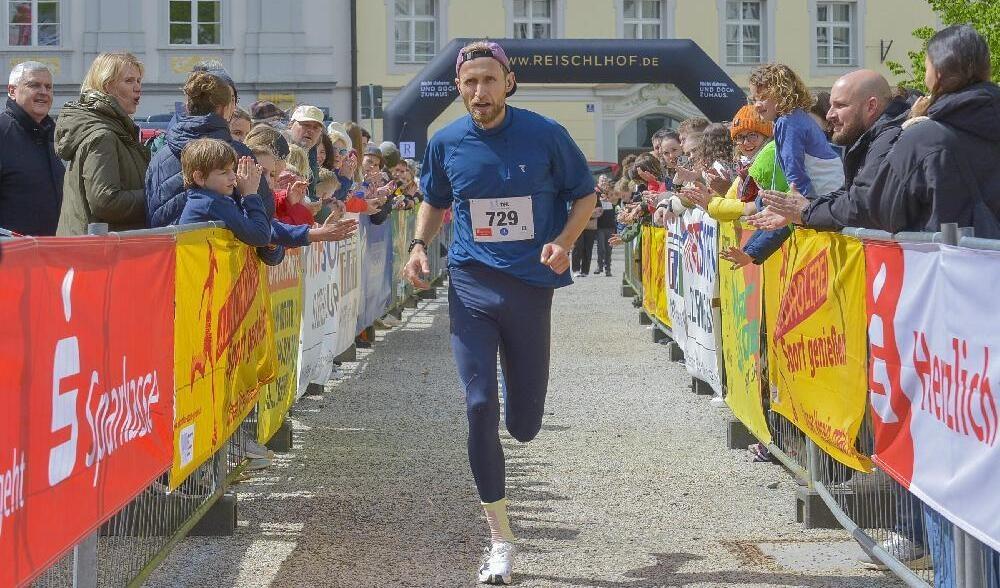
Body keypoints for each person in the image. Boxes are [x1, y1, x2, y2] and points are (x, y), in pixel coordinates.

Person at [402, 40, 596, 585]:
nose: (480, 91)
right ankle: (501, 539)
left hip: (532, 286)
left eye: (490, 80)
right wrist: (419, 246)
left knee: (525, 425)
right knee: (479, 404)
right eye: (470, 82)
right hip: (471, 283)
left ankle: (520, 408)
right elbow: (435, 200)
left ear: (508, 82)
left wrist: (564, 241)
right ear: (459, 87)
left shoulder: (546, 135)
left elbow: (586, 197)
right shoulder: (446, 142)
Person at [866, 24, 1000, 236]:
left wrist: (908, 126)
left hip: (946, 262)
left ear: (937, 73)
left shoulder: (923, 137)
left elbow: (883, 211)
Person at [750, 70, 910, 231]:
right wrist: (804, 211)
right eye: (754, 99)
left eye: (840, 105)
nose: (829, 115)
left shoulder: (890, 140)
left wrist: (804, 211)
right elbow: (848, 195)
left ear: (871, 105)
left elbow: (861, 205)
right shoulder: (865, 139)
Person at [725, 63, 845, 267]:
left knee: (782, 209)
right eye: (754, 99)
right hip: (826, 193)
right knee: (776, 207)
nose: (756, 105)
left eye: (762, 98)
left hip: (824, 193)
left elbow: (795, 171)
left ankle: (751, 254)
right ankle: (751, 253)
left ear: (782, 94)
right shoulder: (791, 119)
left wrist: (799, 210)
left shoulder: (789, 122)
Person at [55, 51, 148, 235]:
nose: (137, 88)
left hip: (100, 248)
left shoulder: (114, 128)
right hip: (96, 253)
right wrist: (154, 196)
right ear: (108, 87)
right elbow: (105, 202)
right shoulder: (102, 135)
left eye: (138, 81)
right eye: (129, 81)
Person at [0, 61, 63, 235]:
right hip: (12, 256)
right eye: (34, 85)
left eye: (48, 87)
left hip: (53, 254)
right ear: (12, 91)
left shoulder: (52, 134)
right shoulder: (2, 132)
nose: (43, 92)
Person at [178, 138, 272, 246]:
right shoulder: (212, 203)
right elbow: (261, 236)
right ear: (200, 178)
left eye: (232, 170)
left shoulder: (203, 199)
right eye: (224, 172)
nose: (233, 177)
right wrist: (250, 194)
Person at [594, 174, 618, 276]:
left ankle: (608, 268)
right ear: (598, 182)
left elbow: (617, 203)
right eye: (601, 180)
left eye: (605, 180)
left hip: (611, 226)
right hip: (600, 226)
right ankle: (599, 266)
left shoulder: (612, 194)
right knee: (601, 248)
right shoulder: (596, 194)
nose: (603, 182)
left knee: (609, 249)